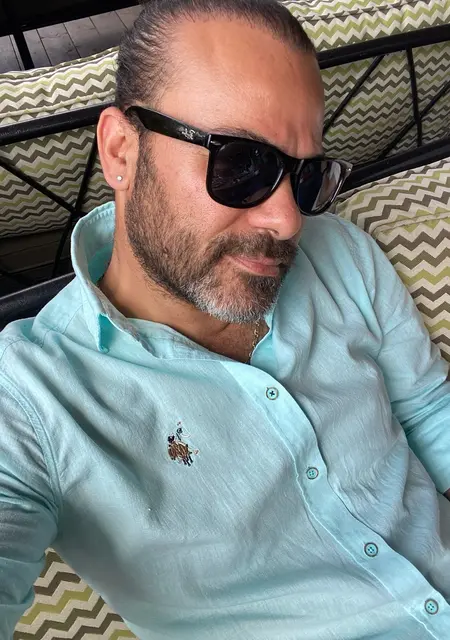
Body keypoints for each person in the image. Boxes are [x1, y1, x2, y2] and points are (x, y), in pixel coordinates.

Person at [0, 0, 449, 637]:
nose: (287, 220)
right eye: (241, 165)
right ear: (121, 150)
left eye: (305, 176)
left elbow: (430, 415)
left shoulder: (340, 253)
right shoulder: (30, 400)